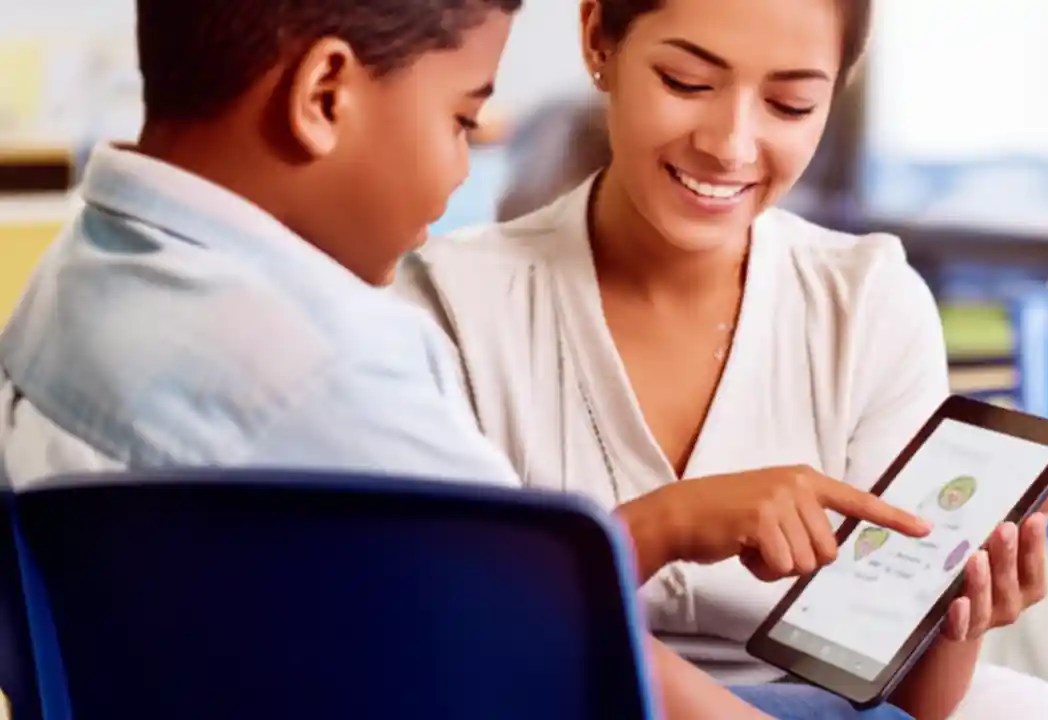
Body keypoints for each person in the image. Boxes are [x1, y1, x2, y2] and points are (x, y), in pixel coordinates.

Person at [0, 1, 928, 718]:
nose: (459, 172)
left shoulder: (59, 298)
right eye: (460, 118)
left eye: (792, 101)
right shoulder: (342, 367)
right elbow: (541, 637)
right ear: (325, 96)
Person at [399, 1, 1048, 719]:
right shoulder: (453, 304)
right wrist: (669, 521)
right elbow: (471, 619)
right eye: (687, 82)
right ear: (597, 39)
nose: (732, 146)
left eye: (790, 105)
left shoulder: (867, 299)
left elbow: (912, 703)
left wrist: (959, 610)